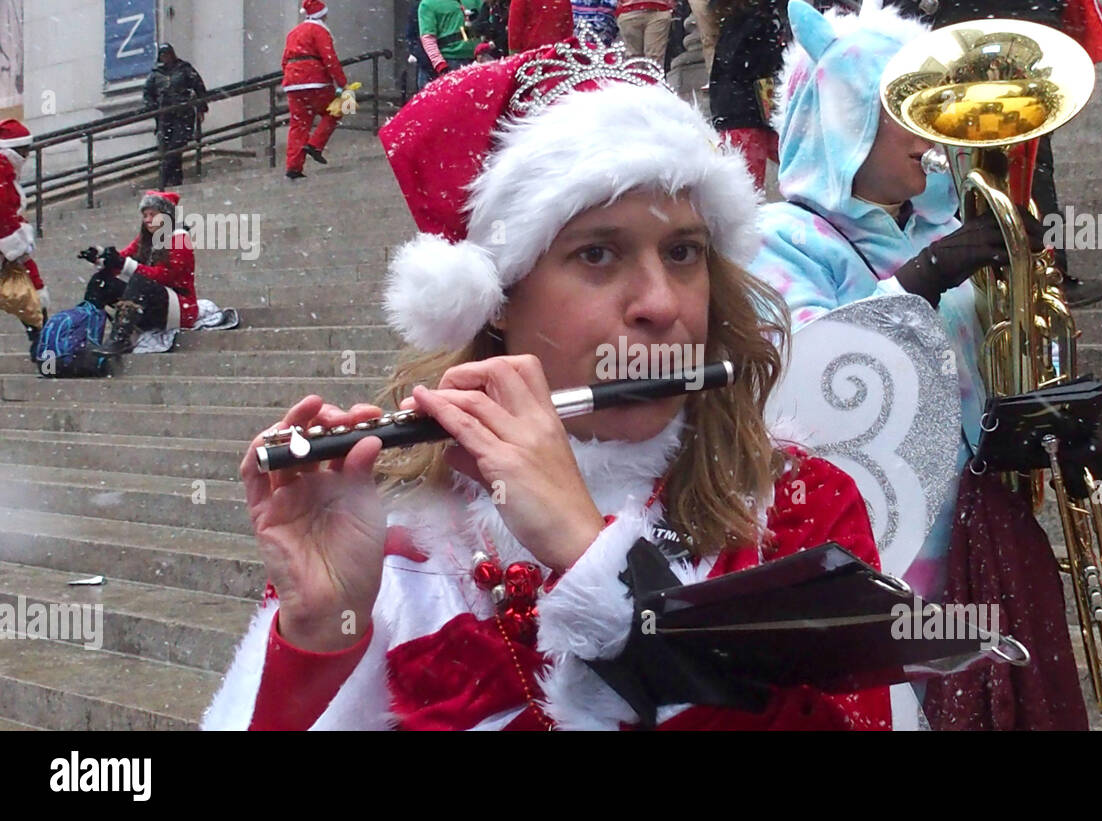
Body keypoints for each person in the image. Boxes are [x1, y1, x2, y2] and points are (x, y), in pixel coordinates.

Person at [201, 37, 893, 731]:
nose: (661, 302)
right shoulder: (398, 538)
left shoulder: (801, 508)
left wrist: (595, 562)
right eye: (598, 253)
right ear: (498, 299)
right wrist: (318, 638)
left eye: (683, 252)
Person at [749, 0, 1102, 729]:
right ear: (847, 116)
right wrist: (920, 279)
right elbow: (800, 385)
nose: (933, 134)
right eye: (904, 110)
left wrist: (1064, 408)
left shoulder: (948, 230)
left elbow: (1005, 368)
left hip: (979, 552)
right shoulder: (779, 237)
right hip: (867, 563)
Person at [880, 0, 1102, 308]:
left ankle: (1036, 268)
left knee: (1026, 158)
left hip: (973, 19)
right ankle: (1037, 268)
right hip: (1003, 19)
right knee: (1024, 161)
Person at [87, 191, 198, 355]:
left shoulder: (180, 240)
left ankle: (120, 339)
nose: (147, 220)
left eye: (152, 214)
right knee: (102, 281)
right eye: (145, 215)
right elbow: (124, 258)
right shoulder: (145, 239)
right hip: (151, 304)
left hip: (180, 307)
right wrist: (102, 259)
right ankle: (88, 335)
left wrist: (124, 264)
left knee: (140, 280)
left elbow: (166, 276)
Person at [709, 0, 787, 189]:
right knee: (751, 189)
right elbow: (752, 65)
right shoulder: (756, 23)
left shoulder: (736, 23)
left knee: (749, 189)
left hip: (736, 112)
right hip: (750, 112)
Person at [282, 0, 348, 180]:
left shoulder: (294, 32)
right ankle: (316, 144)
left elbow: (284, 60)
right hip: (315, 81)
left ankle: (293, 166)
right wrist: (342, 83)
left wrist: (292, 76)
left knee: (298, 124)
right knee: (337, 108)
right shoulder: (320, 31)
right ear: (322, 14)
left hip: (293, 83)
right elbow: (329, 58)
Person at [0, 119, 47, 360]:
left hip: (9, 244)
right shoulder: (3, 171)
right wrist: (15, 242)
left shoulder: (7, 171)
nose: (28, 155)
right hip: (8, 246)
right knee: (31, 294)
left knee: (31, 294)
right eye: (25, 150)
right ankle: (42, 344)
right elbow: (3, 211)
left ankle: (41, 341)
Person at [143, 43, 208, 188]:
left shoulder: (184, 69)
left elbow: (199, 87)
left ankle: (164, 178)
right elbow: (147, 93)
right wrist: (151, 106)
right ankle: (175, 179)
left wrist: (201, 108)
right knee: (167, 147)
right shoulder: (156, 74)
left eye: (167, 54)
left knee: (177, 144)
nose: (165, 58)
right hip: (164, 115)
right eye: (163, 55)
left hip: (183, 113)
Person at [417, 0, 485, 78]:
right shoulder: (428, 4)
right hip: (449, 60)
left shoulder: (476, 2)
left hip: (479, 59)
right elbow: (428, 38)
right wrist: (440, 64)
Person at [616, 0, 674, 64]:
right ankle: (637, 72)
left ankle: (650, 72)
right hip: (629, 11)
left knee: (654, 57)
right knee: (634, 59)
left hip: (659, 11)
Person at [508, 0, 573, 53]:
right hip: (555, 53)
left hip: (529, 53)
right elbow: (568, 28)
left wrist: (514, 52)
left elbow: (515, 25)